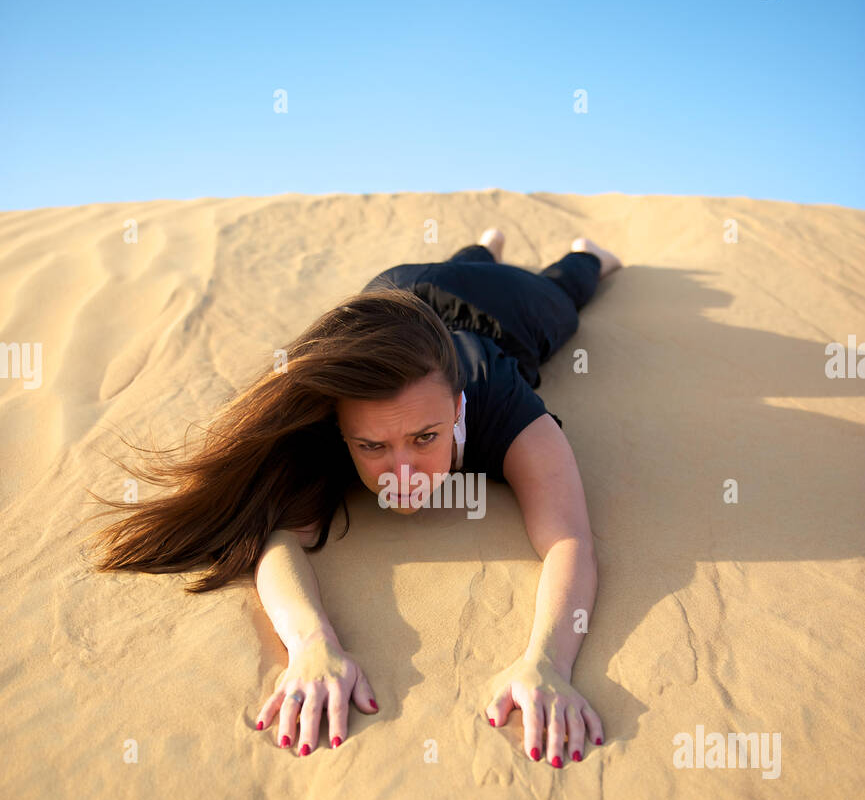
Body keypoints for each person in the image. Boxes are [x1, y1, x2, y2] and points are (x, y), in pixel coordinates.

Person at [87, 228, 622, 768]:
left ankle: (570, 253)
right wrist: (310, 644)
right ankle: (479, 250)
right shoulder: (333, 412)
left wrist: (548, 662)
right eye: (371, 446)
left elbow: (568, 538)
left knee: (563, 293)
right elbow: (279, 538)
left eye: (425, 438)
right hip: (399, 295)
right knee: (454, 267)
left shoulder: (499, 398)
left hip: (501, 310)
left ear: (459, 409)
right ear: (342, 427)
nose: (403, 472)